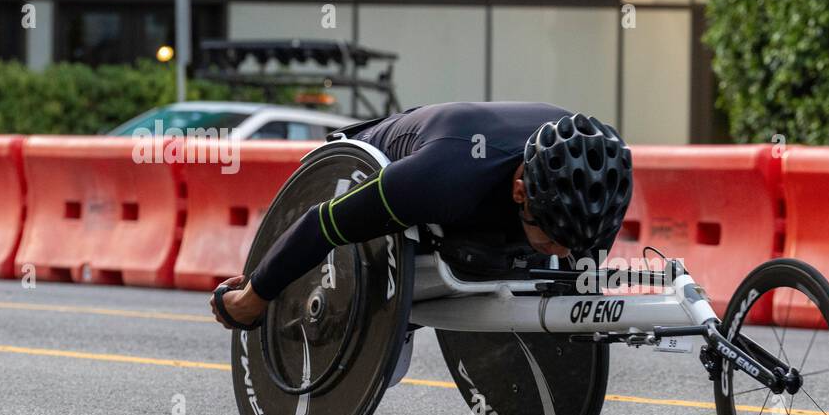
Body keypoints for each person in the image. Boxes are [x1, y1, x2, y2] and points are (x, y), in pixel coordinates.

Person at [209, 101, 633, 329]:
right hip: (400, 149)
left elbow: (582, 275)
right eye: (551, 236)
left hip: (487, 180)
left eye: (570, 243)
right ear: (521, 191)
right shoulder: (439, 180)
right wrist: (253, 297)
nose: (559, 251)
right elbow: (324, 223)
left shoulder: (598, 184)